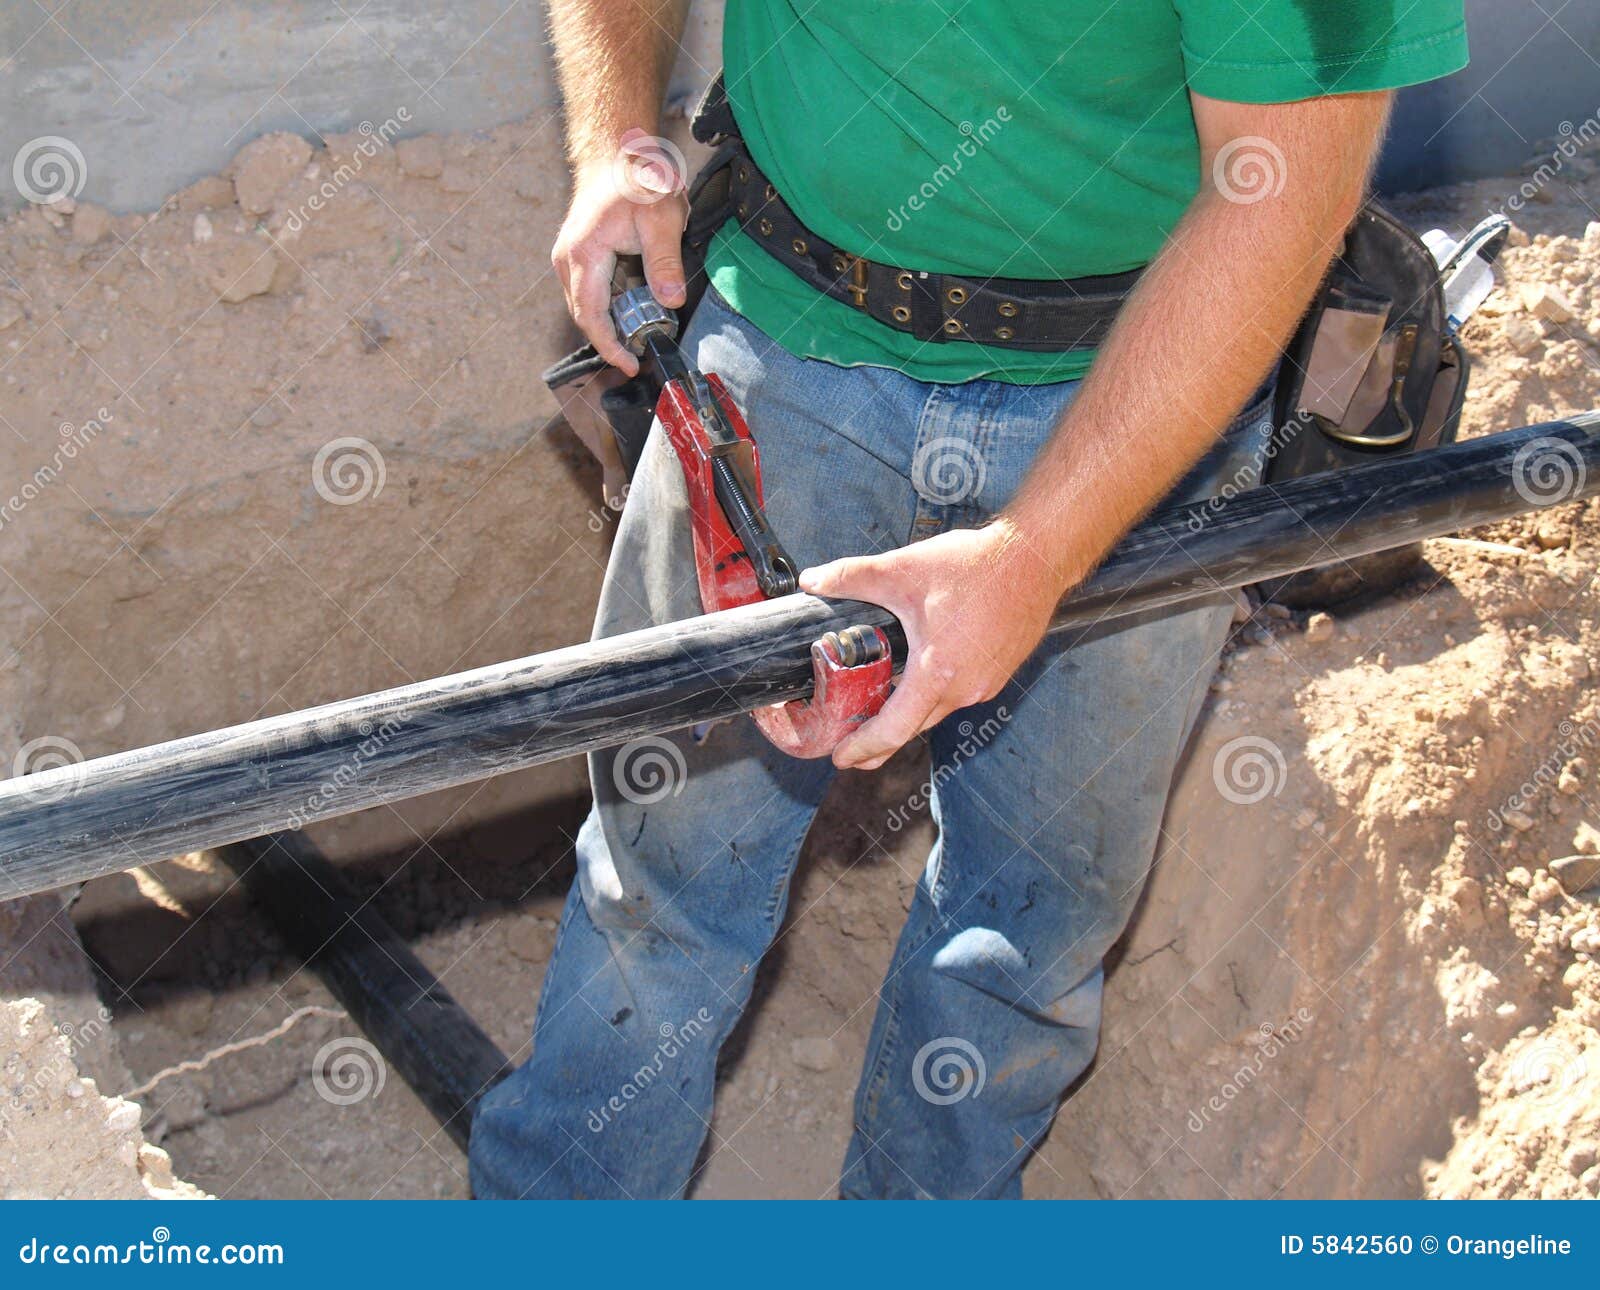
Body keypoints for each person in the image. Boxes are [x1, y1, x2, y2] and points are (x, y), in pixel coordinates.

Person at [471, 0, 1469, 1199]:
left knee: (1022, 938)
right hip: (782, 346)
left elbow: (1283, 191)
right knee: (659, 888)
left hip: (1138, 410)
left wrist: (1036, 555)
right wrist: (612, 138)